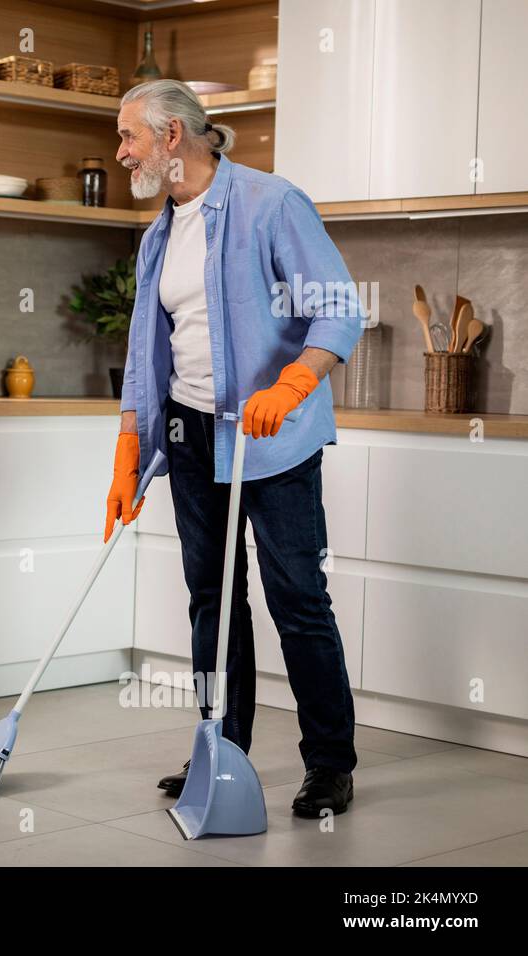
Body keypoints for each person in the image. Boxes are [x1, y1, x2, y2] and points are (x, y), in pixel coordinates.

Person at [104, 79, 364, 818]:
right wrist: (130, 450)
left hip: (270, 437)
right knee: (212, 601)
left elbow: (339, 307)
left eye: (129, 137)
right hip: (190, 437)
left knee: (297, 598)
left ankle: (329, 765)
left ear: (171, 137)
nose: (121, 153)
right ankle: (221, 749)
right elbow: (146, 354)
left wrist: (293, 384)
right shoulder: (158, 235)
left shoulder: (270, 203)